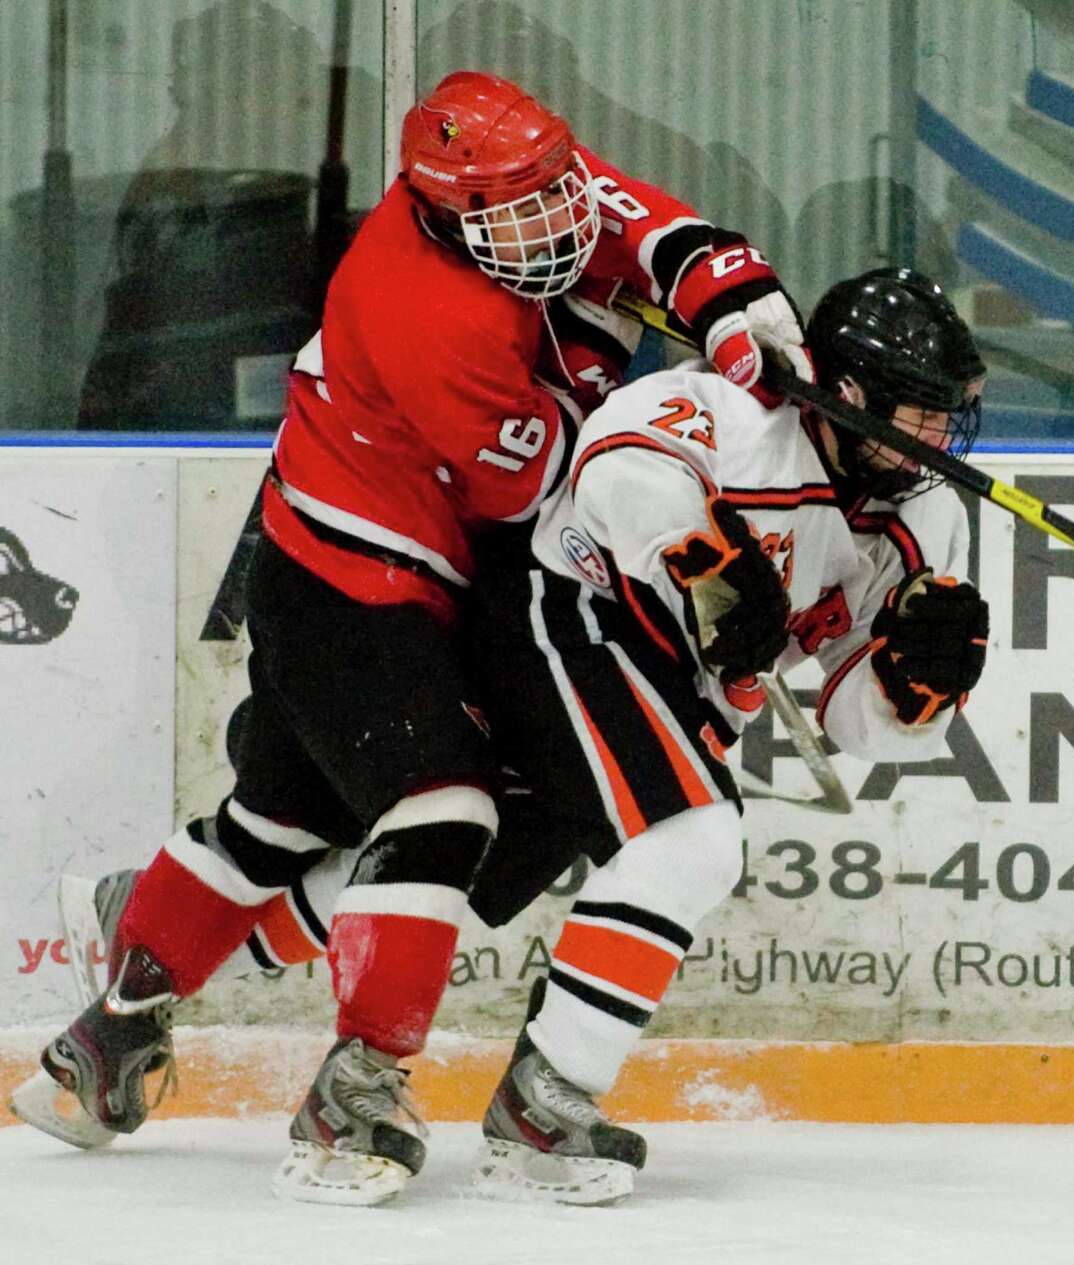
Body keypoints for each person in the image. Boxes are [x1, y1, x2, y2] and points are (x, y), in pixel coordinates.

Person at [9, 70, 813, 1205]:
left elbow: (636, 224)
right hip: (356, 584)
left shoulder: (515, 190)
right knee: (446, 808)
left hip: (345, 559)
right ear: (438, 209)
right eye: (514, 211)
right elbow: (543, 490)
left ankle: (104, 1043)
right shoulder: (429, 311)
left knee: (274, 820)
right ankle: (358, 1083)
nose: (549, 220)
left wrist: (729, 298)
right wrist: (627, 372)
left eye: (550, 190)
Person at [24, 268, 989, 1207]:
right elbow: (619, 470)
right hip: (567, 614)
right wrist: (713, 566)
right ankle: (539, 1107)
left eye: (954, 416)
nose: (943, 438)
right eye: (922, 417)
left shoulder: (929, 515)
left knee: (453, 877)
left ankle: (138, 964)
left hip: (669, 687)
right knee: (692, 837)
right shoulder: (736, 415)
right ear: (850, 393)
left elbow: (861, 721)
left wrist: (917, 684)